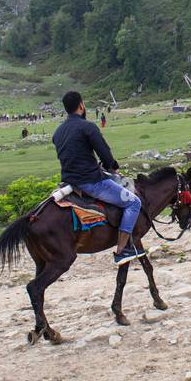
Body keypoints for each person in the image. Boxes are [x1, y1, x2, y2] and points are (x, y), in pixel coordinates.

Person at [52, 90, 142, 266]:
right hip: (92, 182)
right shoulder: (87, 127)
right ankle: (123, 250)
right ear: (81, 105)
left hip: (69, 181)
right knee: (133, 202)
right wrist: (113, 167)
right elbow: (105, 154)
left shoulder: (58, 132)